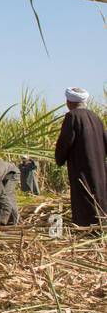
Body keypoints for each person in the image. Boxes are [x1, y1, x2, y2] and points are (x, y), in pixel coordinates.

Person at [53, 87, 107, 227]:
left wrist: (59, 158)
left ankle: (85, 225)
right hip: (99, 167)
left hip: (81, 167)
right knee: (99, 192)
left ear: (69, 102)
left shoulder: (72, 116)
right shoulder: (96, 117)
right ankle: (102, 222)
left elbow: (66, 141)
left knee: (83, 194)